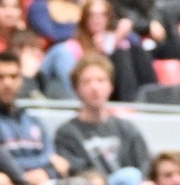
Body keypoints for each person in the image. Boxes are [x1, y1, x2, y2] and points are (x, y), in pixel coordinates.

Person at [0, 53, 68, 185]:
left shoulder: (34, 121)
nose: (7, 83)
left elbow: (56, 162)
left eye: (13, 77)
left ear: (21, 81)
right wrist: (35, 169)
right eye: (0, 77)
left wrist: (45, 172)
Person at [53, 55, 150, 185]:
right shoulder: (66, 133)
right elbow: (75, 172)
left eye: (101, 80)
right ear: (76, 89)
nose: (95, 88)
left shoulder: (126, 128)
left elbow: (144, 166)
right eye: (87, 82)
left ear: (111, 86)